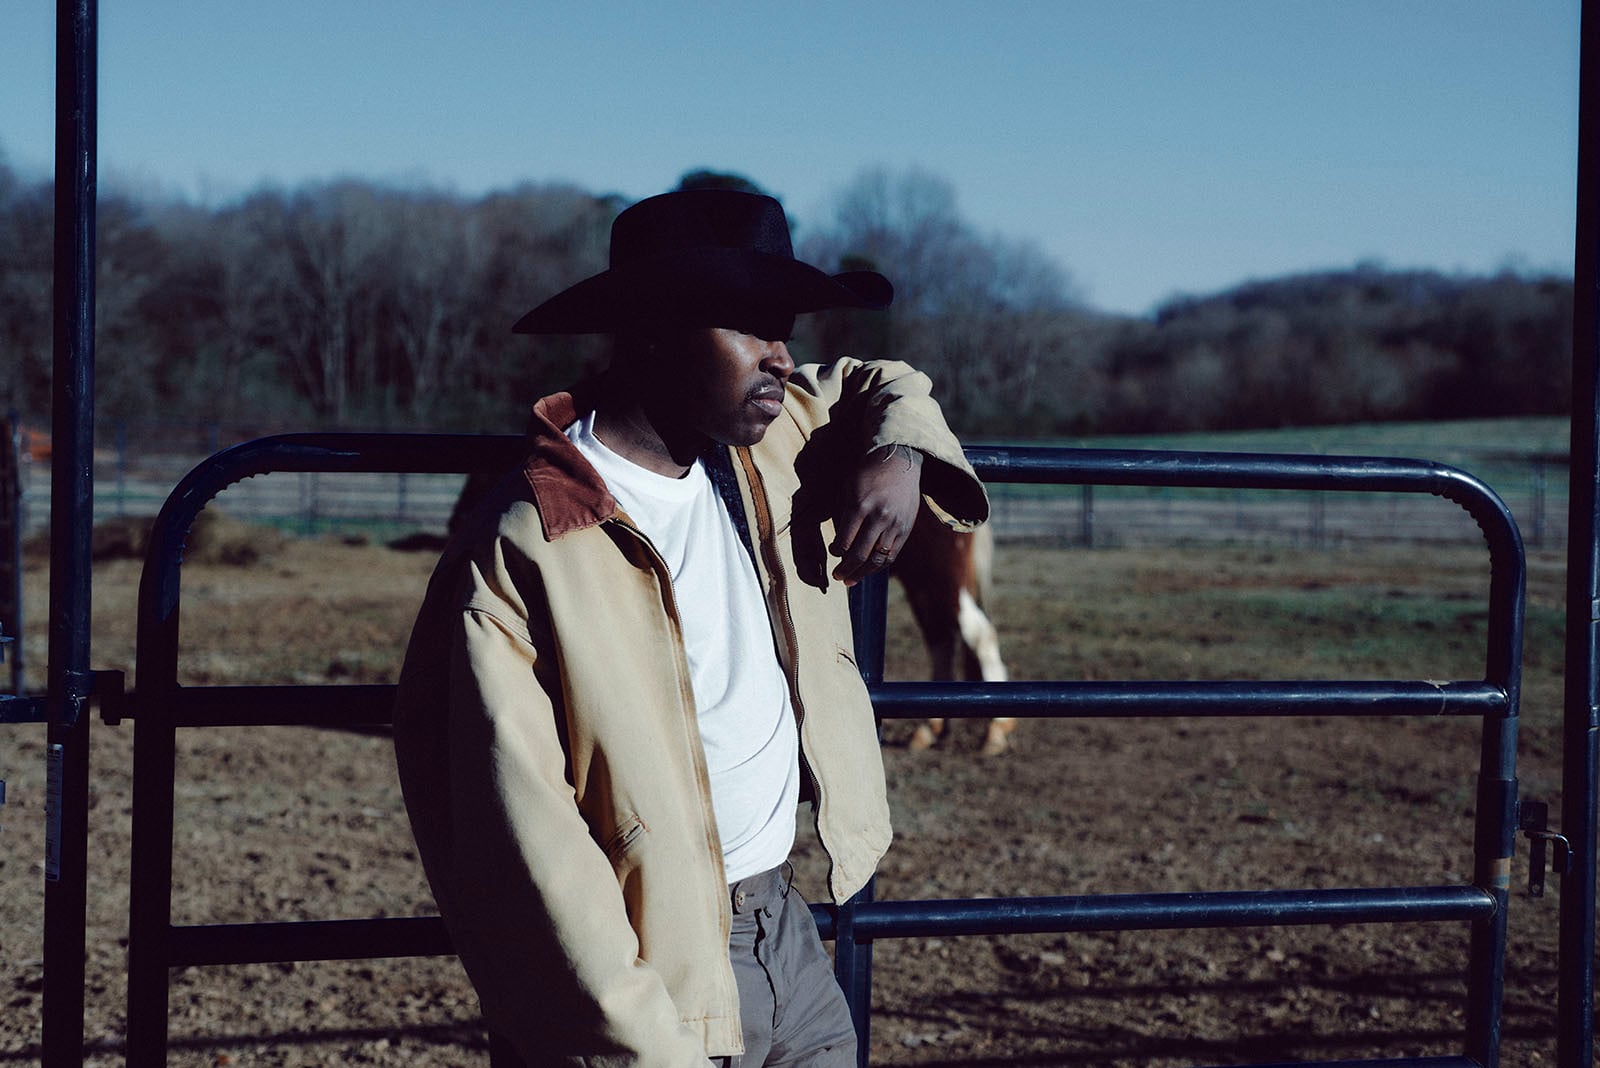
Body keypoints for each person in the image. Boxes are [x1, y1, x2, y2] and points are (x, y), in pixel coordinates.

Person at [392, 188, 989, 1067]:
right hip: (654, 970)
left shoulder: (765, 445)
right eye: (750, 329)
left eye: (784, 330)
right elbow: (527, 857)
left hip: (784, 925)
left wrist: (900, 455)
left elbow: (882, 381)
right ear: (653, 331)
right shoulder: (534, 542)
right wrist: (641, 1042)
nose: (782, 359)